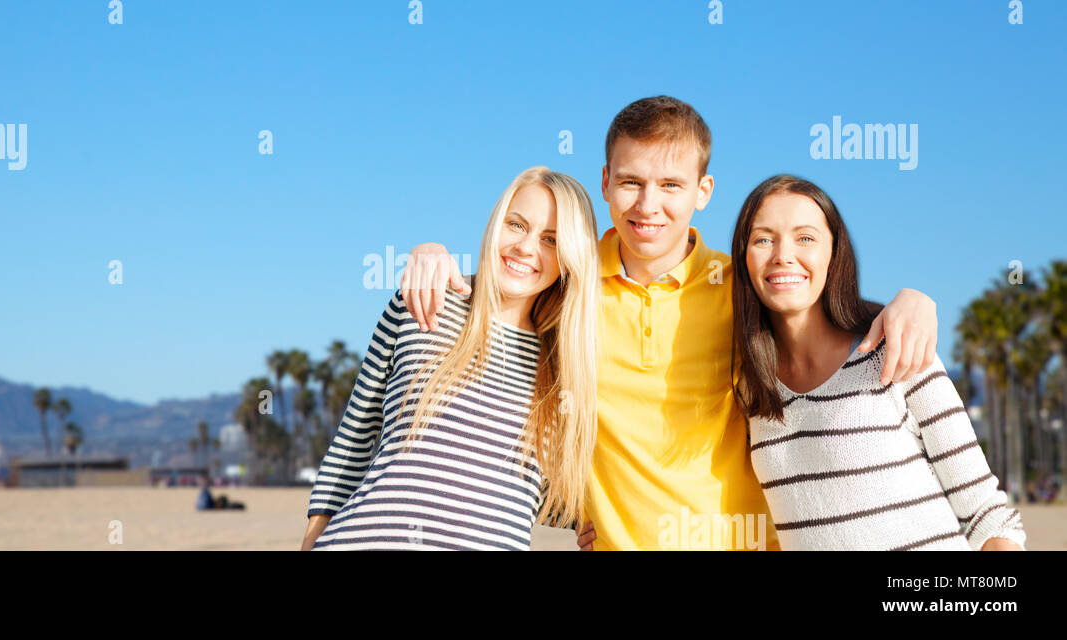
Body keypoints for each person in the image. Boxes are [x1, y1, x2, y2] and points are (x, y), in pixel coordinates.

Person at [402, 97, 941, 550]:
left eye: (671, 185)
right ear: (607, 183)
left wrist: (913, 300)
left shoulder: (743, 289)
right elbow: (506, 285)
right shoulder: (569, 284)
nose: (648, 205)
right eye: (631, 182)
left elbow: (825, 313)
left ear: (702, 191)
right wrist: (432, 254)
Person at [301, 166, 602, 550]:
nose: (526, 248)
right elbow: (353, 442)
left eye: (550, 239)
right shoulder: (426, 301)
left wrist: (591, 524)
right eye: (516, 225)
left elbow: (534, 497)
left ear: (570, 259)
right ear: (496, 223)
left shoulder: (564, 368)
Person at [729, 174, 1024, 550]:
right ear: (743, 256)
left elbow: (988, 516)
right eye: (763, 239)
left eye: (805, 238)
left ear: (834, 253)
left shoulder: (897, 349)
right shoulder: (749, 386)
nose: (783, 254)